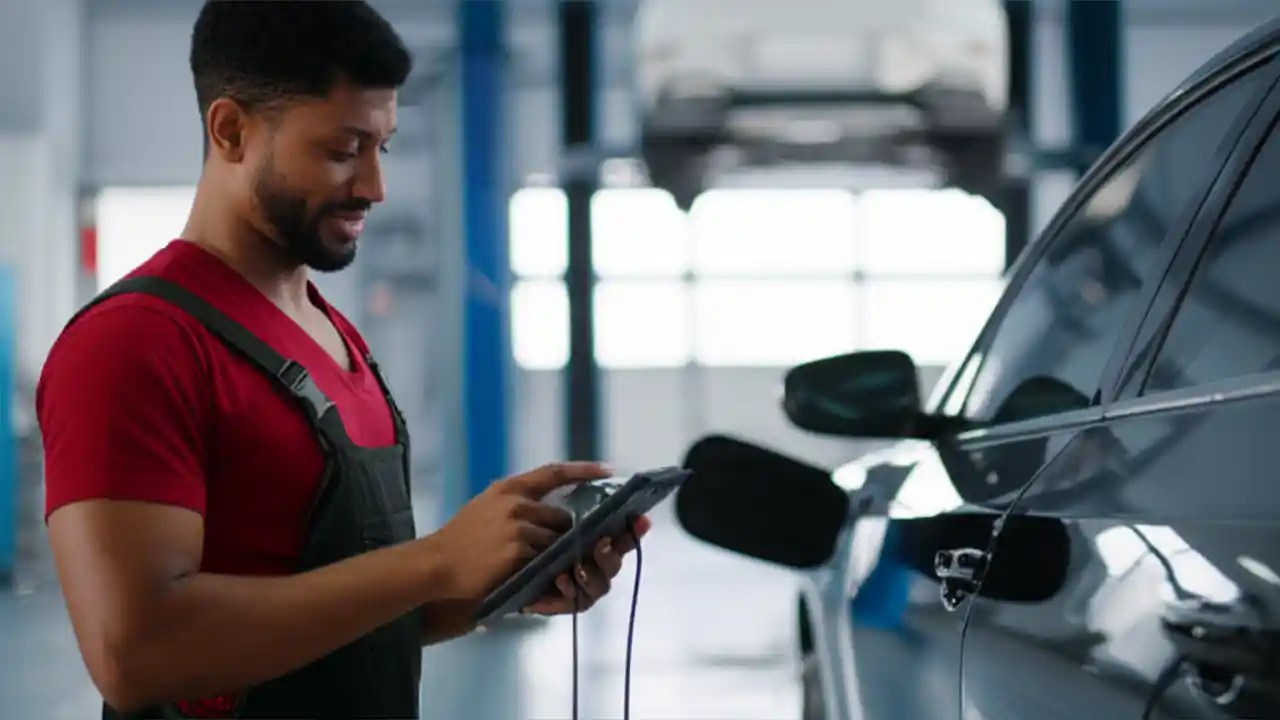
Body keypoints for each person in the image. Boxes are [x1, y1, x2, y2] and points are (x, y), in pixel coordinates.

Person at [35, 2, 649, 718]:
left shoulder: (334, 335)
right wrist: (434, 560)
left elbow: (353, 614)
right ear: (231, 131)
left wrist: (496, 584)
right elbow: (134, 654)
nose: (374, 186)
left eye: (382, 146)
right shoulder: (137, 341)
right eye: (341, 150)